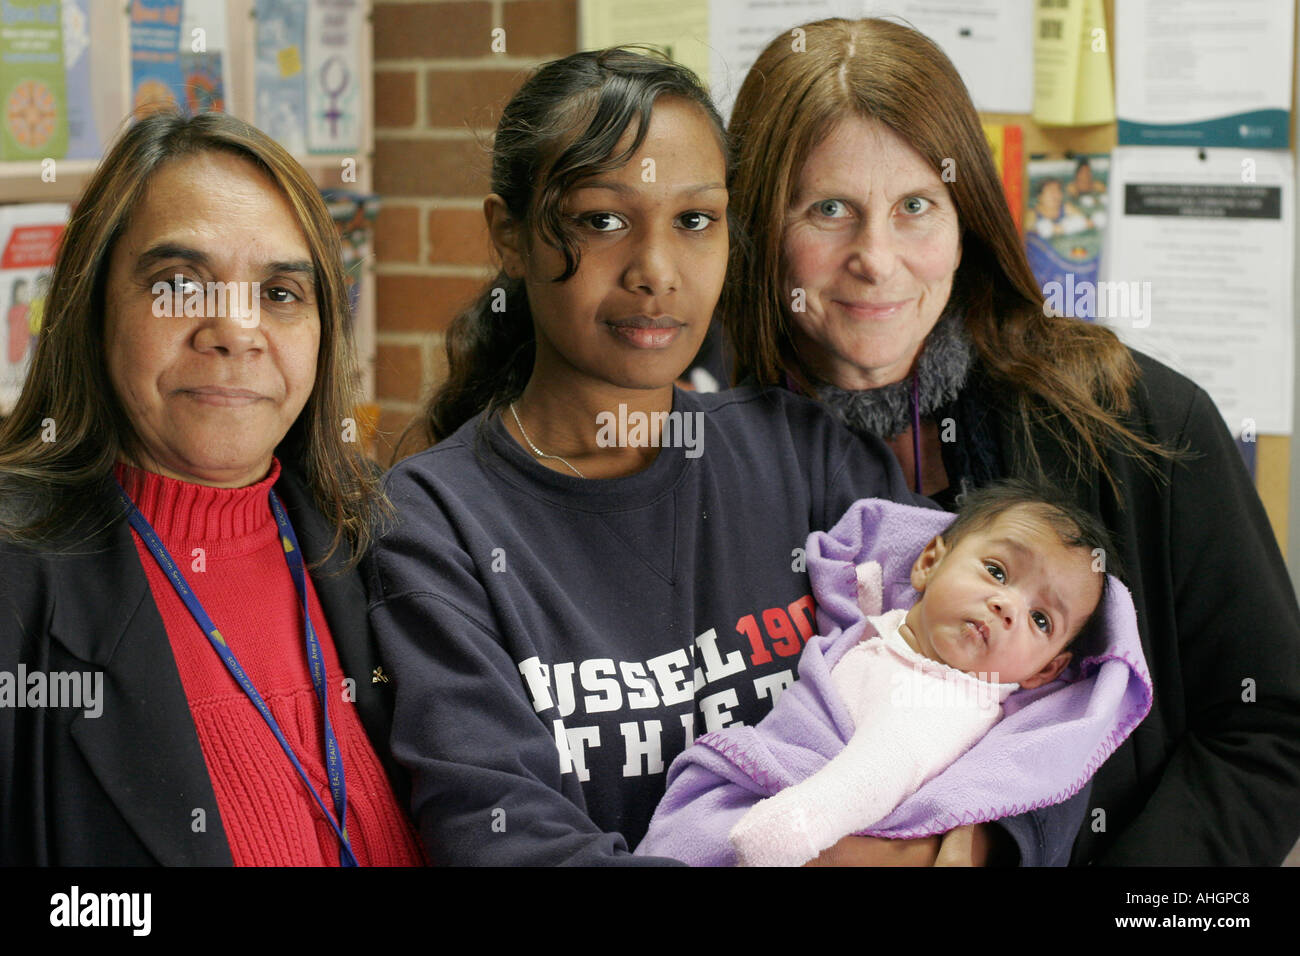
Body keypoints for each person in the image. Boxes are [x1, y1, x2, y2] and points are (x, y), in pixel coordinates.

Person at [722, 16, 1300, 864]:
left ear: (968, 220)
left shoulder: (1137, 421)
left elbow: (1272, 726)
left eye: (916, 206)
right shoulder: (696, 459)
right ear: (757, 232)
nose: (876, 259)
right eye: (829, 209)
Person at [366, 49, 927, 866]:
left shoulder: (813, 462)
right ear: (510, 236)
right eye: (601, 220)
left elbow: (982, 695)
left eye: (695, 221)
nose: (656, 272)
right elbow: (508, 842)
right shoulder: (432, 525)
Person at [0, 111, 424, 866]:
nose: (235, 329)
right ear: (93, 308)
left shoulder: (378, 539)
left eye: (282, 292)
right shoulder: (13, 584)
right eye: (178, 285)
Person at [638, 481, 1152, 866]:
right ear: (928, 561)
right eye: (997, 571)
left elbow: (878, 771)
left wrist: (788, 832)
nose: (1006, 606)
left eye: (1041, 619)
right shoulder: (880, 621)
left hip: (793, 823)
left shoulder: (949, 702)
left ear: (1045, 671)